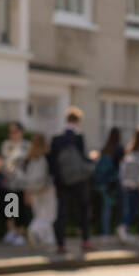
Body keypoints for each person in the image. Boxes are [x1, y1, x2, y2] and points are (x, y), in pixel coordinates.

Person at [49, 106, 93, 255]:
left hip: (62, 182)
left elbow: (52, 162)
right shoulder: (79, 137)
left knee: (61, 212)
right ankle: (85, 240)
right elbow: (84, 159)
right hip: (79, 181)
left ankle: (61, 244)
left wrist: (56, 180)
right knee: (84, 210)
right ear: (78, 121)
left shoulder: (57, 138)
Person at [22, 133, 57, 250]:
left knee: (38, 215)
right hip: (46, 189)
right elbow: (52, 174)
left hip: (33, 190)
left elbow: (25, 177)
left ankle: (47, 241)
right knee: (48, 216)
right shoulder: (47, 156)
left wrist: (27, 191)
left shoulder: (29, 158)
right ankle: (34, 230)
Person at [0, 121, 30, 245]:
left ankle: (20, 233)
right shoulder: (6, 145)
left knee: (21, 210)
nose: (12, 134)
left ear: (21, 132)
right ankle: (11, 231)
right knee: (10, 208)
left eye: (15, 131)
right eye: (10, 132)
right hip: (9, 182)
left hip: (23, 182)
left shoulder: (27, 146)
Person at [92, 127, 123, 237]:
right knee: (119, 208)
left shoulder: (105, 148)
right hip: (113, 182)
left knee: (106, 208)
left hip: (103, 183)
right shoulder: (119, 149)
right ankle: (120, 231)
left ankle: (105, 232)